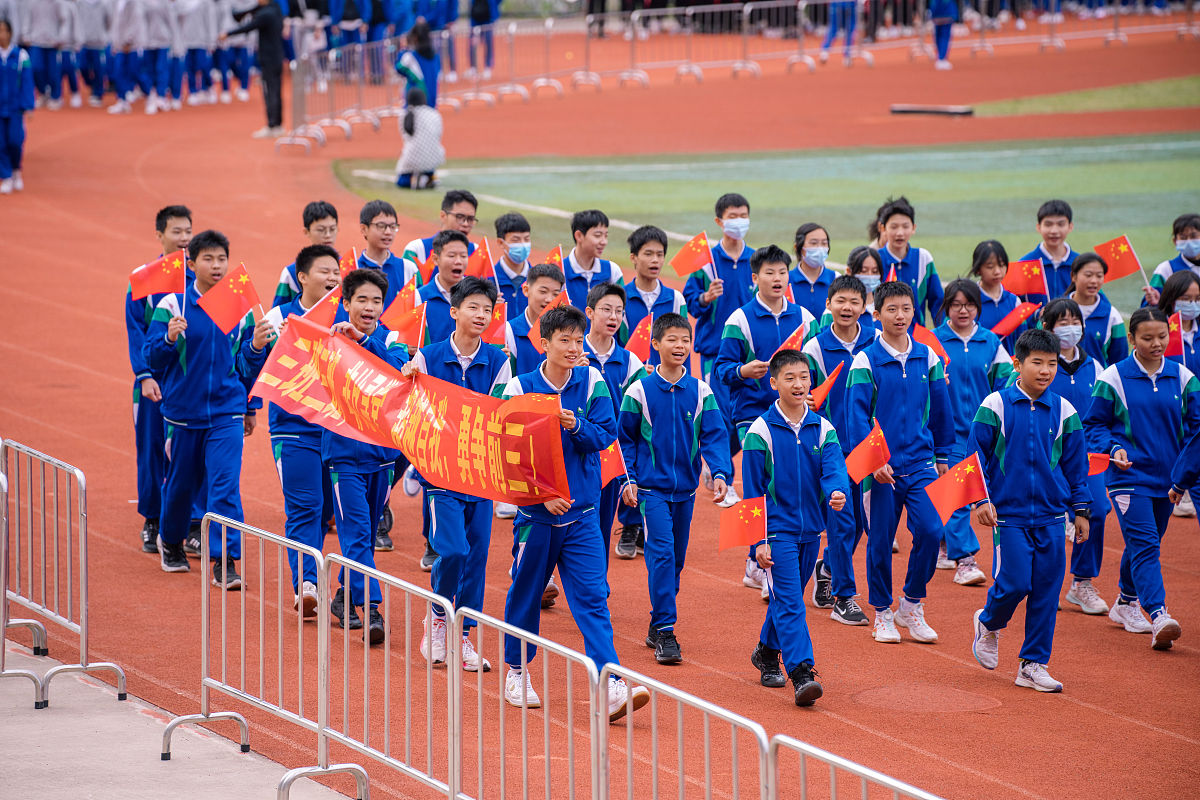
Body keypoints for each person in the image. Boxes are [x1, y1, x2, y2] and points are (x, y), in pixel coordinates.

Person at [500, 305, 650, 723]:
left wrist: (575, 426)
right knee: (526, 594)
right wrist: (541, 494)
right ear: (543, 344)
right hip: (537, 516)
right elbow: (506, 454)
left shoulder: (593, 381)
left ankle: (610, 681)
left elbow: (606, 435)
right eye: (563, 340)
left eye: (577, 340)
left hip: (583, 514)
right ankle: (517, 670)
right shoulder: (518, 387)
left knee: (593, 597)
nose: (572, 347)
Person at [144, 230, 274, 585]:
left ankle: (225, 561)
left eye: (222, 259)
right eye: (208, 259)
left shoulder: (238, 305)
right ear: (192, 263)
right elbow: (151, 357)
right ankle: (171, 540)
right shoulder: (173, 304)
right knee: (182, 485)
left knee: (225, 486)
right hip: (183, 414)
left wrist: (257, 349)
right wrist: (170, 338)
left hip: (227, 411)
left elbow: (248, 367)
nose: (217, 266)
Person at [969, 328, 1092, 693]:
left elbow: (1076, 466)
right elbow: (974, 457)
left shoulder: (1065, 411)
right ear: (1017, 364)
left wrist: (1081, 509)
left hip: (1053, 517)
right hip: (1009, 516)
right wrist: (980, 500)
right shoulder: (995, 405)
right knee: (1016, 582)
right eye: (1037, 362)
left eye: (1052, 363)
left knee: (1046, 592)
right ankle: (989, 622)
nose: (1045, 370)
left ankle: (1033, 664)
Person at [405, 276, 511, 673]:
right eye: (473, 308)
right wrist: (411, 374)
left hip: (480, 473)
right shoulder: (428, 358)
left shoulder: (499, 361)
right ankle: (436, 618)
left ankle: (462, 636)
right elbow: (414, 408)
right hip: (441, 474)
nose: (482, 315)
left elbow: (501, 412)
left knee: (478, 559)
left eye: (488, 309)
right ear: (454, 312)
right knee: (453, 550)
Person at [846, 280, 954, 644]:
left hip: (922, 463)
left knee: (931, 531)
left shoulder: (929, 356)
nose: (900, 316)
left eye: (906, 308)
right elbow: (857, 417)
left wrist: (943, 455)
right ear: (876, 316)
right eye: (891, 309)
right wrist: (873, 460)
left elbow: (941, 410)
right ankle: (882, 611)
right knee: (880, 541)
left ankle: (911, 603)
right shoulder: (866, 360)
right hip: (881, 471)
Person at [619, 313, 730, 664]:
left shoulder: (701, 391)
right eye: (672, 340)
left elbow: (714, 435)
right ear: (656, 344)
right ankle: (666, 630)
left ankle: (657, 619)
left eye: (685, 340)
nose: (680, 346)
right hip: (651, 491)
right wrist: (629, 479)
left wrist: (721, 471)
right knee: (663, 556)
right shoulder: (638, 390)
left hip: (686, 492)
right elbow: (624, 440)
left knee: (676, 561)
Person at [1086, 307, 1199, 651]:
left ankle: (1124, 601)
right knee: (1147, 543)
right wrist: (1112, 446)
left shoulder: (1183, 378)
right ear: (1132, 338)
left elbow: (1196, 431)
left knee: (1144, 543)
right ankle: (1159, 614)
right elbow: (1094, 425)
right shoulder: (1112, 378)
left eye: (1162, 336)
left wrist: (1183, 477)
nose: (1156, 344)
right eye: (1147, 338)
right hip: (1127, 477)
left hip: (1169, 482)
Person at [743, 350, 848, 706]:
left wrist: (836, 490)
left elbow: (835, 468)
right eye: (790, 378)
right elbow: (753, 493)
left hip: (811, 531)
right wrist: (758, 541)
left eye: (804, 376)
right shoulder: (760, 432)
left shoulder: (823, 427)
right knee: (790, 602)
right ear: (774, 384)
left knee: (787, 599)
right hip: (777, 533)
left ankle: (766, 652)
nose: (799, 384)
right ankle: (802, 671)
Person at [716, 244, 815, 593]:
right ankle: (758, 555)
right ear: (754, 278)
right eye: (769, 273)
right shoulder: (739, 319)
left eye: (782, 272)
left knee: (787, 483)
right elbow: (721, 369)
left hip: (796, 416)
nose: (777, 279)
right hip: (752, 415)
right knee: (760, 486)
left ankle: (754, 559)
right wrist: (744, 370)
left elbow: (815, 369)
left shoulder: (805, 318)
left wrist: (811, 392)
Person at [322, 268, 411, 644]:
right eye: (362, 299)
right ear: (346, 303)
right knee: (357, 536)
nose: (370, 307)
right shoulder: (330, 342)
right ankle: (372, 609)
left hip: (383, 459)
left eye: (376, 300)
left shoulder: (392, 340)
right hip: (344, 457)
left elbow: (395, 369)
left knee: (367, 535)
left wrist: (366, 341)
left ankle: (344, 595)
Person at [263, 244, 341, 616]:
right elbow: (247, 366)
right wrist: (254, 345)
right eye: (323, 271)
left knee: (331, 512)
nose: (331, 278)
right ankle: (307, 582)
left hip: (339, 430)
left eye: (335, 272)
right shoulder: (279, 317)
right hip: (293, 430)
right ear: (302, 277)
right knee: (305, 507)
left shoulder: (347, 317)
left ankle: (346, 591)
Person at [804, 275, 877, 626]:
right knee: (842, 520)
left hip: (869, 447)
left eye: (854, 302)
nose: (847, 308)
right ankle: (844, 597)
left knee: (860, 524)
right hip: (830, 446)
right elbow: (799, 386)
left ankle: (828, 565)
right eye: (840, 301)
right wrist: (803, 395)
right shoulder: (815, 348)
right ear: (829, 304)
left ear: (864, 306)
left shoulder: (876, 343)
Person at [933, 279, 1012, 586]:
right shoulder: (933, 343)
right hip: (947, 434)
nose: (963, 310)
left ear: (978, 307)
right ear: (946, 308)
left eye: (969, 304)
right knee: (958, 495)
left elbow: (1006, 383)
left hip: (982, 433)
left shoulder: (990, 343)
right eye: (955, 304)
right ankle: (965, 559)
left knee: (968, 491)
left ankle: (944, 543)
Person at [125, 205, 193, 552]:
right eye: (176, 232)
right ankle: (152, 520)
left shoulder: (198, 278)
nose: (183, 239)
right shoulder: (144, 278)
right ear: (160, 235)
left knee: (187, 452)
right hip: (153, 381)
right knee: (152, 450)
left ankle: (191, 522)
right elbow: (136, 330)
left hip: (188, 381)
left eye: (188, 232)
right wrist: (145, 374)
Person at [683, 193, 756, 508]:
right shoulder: (706, 264)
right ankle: (721, 472)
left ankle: (713, 461)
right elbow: (690, 303)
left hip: (752, 354)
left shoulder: (757, 261)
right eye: (732, 215)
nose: (738, 221)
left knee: (748, 415)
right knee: (723, 414)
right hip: (716, 351)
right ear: (719, 221)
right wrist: (705, 298)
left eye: (743, 215)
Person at [1039, 298, 1111, 614]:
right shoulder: (1039, 364)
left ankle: (1082, 583)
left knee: (1096, 509)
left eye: (1075, 321)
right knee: (1045, 519)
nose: (1070, 328)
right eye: (1062, 322)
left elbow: (1106, 415)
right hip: (1045, 456)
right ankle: (1043, 584)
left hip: (1087, 456)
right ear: (1047, 328)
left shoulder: (1096, 368)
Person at [582, 284, 648, 561]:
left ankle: (597, 585)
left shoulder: (630, 361)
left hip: (612, 453)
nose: (613, 317)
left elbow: (639, 410)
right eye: (606, 310)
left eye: (619, 312)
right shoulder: (572, 353)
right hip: (577, 448)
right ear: (589, 312)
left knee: (601, 524)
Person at [495, 262, 564, 521]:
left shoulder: (564, 330)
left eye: (555, 293)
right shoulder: (510, 330)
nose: (548, 299)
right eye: (542, 291)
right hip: (522, 407)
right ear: (526, 290)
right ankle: (510, 493)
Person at [1158, 271, 1200, 517]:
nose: (1192, 304)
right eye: (1186, 298)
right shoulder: (1160, 331)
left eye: (1197, 298)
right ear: (1172, 298)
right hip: (1172, 414)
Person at [622, 225, 687, 371]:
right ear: (633, 257)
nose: (655, 260)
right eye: (648, 254)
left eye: (660, 254)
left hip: (666, 383)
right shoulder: (620, 299)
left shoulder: (676, 299)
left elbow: (683, 348)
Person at [875, 196, 943, 329]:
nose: (900, 233)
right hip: (882, 338)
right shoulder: (875, 260)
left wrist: (943, 334)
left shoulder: (923, 258)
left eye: (905, 226)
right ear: (883, 229)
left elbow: (938, 302)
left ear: (913, 228)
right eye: (894, 227)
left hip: (916, 339)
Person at [220, 0, 284, 138]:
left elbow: (247, 27)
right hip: (276, 57)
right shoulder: (275, 9)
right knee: (276, 91)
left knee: (270, 92)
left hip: (269, 59)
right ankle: (277, 124)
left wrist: (228, 34)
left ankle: (272, 125)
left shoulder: (266, 14)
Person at [273, 200, 340, 308]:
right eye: (321, 230)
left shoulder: (348, 268)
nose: (328, 235)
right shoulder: (291, 273)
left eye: (332, 229)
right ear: (306, 232)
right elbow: (279, 312)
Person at [1065, 252, 1127, 367]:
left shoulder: (1111, 316)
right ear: (1073, 276)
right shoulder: (1056, 310)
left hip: (1098, 383)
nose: (1094, 281)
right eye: (1088, 275)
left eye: (1099, 276)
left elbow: (1120, 360)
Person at [400, 189, 478, 279]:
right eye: (459, 217)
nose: (465, 224)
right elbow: (405, 288)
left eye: (470, 219)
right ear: (443, 216)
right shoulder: (417, 249)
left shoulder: (477, 251)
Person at [357, 199, 418, 306]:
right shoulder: (354, 269)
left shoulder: (408, 268)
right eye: (381, 226)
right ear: (364, 229)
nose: (388, 232)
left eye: (393, 226)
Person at [970, 240, 1027, 352]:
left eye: (1001, 265)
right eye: (990, 267)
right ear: (978, 269)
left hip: (1009, 367)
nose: (997, 272)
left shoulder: (1014, 301)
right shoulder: (970, 301)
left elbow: (1023, 339)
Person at [415, 229, 470, 343]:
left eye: (463, 256)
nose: (459, 261)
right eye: (452, 256)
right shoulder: (419, 298)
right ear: (435, 259)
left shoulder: (477, 295)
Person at [1019, 200, 1077, 305]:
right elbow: (1015, 304)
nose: (1054, 230)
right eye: (1048, 224)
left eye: (1061, 224)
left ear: (1070, 226)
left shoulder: (1080, 264)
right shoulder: (1025, 264)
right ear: (1038, 227)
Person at [562, 209, 623, 310]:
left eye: (606, 236)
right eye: (598, 235)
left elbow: (621, 310)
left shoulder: (612, 271)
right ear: (579, 236)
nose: (604, 242)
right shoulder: (560, 270)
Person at [0, 17, 34, 195]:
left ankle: (16, 171)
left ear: (10, 33)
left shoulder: (21, 56)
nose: (2, 35)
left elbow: (27, 82)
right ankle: (5, 176)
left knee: (15, 141)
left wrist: (28, 106)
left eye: (4, 31)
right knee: (0, 144)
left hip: (15, 109)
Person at [1144, 213, 1200, 307]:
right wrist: (1156, 303)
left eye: (1193, 236)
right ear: (1175, 241)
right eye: (1183, 237)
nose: (1188, 241)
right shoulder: (1165, 269)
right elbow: (1147, 309)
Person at [394, 87, 443, 190]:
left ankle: (416, 180)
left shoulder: (405, 115)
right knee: (427, 160)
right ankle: (429, 177)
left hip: (412, 157)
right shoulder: (435, 114)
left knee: (401, 181)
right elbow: (438, 136)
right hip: (435, 156)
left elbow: (406, 138)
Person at [787, 223, 837, 320]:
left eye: (824, 243)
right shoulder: (786, 281)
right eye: (813, 243)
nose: (820, 248)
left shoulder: (836, 278)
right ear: (798, 247)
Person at [492, 212, 533, 319]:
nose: (523, 244)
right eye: (516, 240)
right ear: (501, 243)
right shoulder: (490, 280)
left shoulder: (538, 280)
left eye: (527, 239)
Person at [393, 16, 440, 108]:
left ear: (415, 38)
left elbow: (398, 68)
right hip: (432, 104)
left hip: (415, 105)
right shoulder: (435, 57)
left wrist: (403, 49)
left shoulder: (410, 57)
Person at [75, 0, 112, 107]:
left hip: (99, 43)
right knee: (82, 67)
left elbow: (109, 21)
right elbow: (77, 20)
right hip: (84, 42)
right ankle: (91, 84)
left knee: (98, 69)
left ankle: (98, 93)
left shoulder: (104, 4)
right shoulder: (80, 3)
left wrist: (102, 34)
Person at [819, 0, 857, 66]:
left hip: (848, 4)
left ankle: (847, 55)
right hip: (840, 4)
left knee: (848, 29)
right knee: (835, 27)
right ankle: (825, 51)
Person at [930, 0, 957, 70]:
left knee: (938, 35)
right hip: (946, 11)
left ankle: (940, 57)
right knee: (944, 36)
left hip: (936, 10)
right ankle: (942, 58)